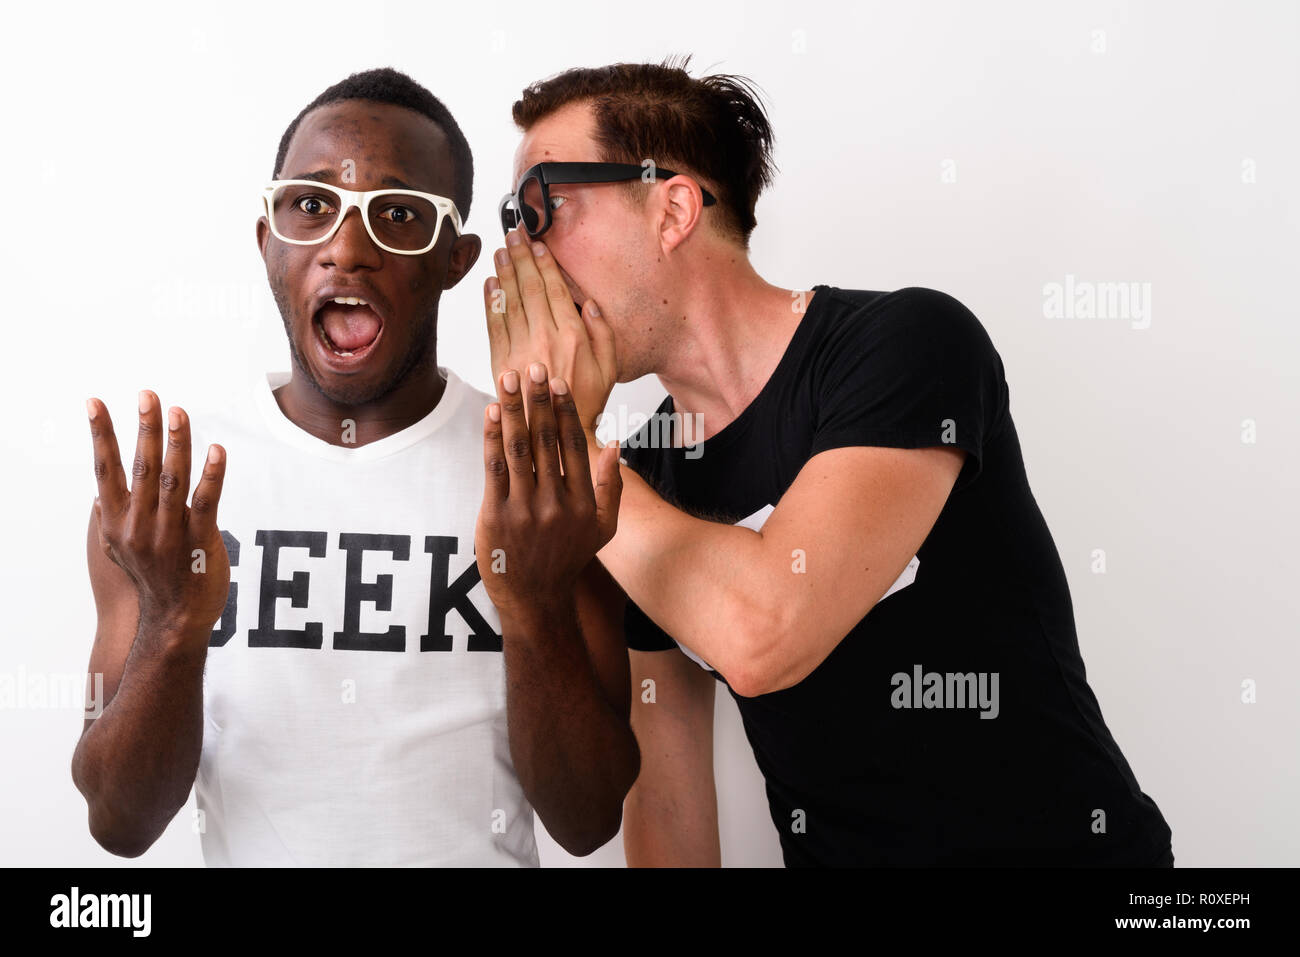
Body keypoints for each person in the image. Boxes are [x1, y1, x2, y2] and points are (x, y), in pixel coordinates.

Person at [484, 57, 1175, 866]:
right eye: (512, 218)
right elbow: (668, 800)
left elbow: (766, 633)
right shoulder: (644, 476)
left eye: (544, 206)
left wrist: (569, 434)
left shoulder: (906, 346)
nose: (523, 255)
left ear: (672, 209)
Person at [72, 67, 637, 866]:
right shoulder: (171, 497)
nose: (347, 247)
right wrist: (170, 625)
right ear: (268, 240)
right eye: (310, 205)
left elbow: (589, 819)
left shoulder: (541, 473)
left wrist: (537, 603)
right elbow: (117, 823)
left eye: (399, 215)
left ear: (454, 257)